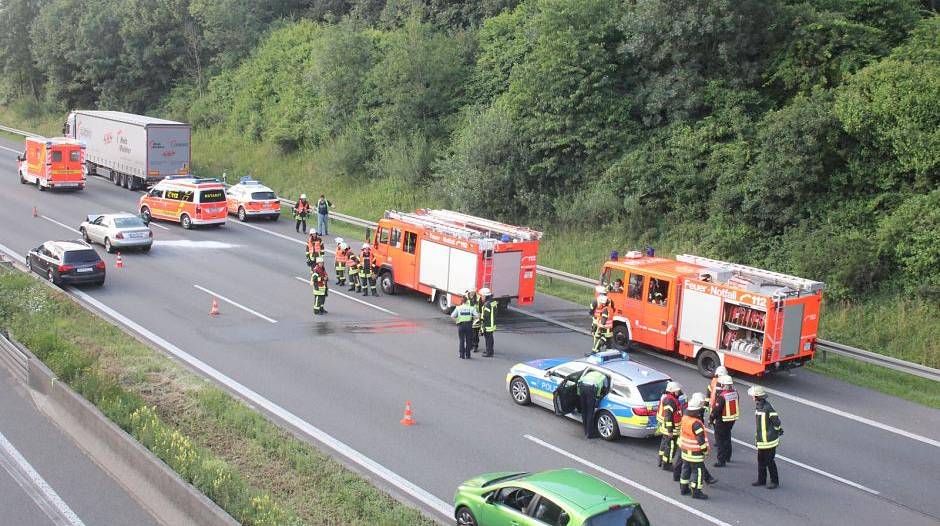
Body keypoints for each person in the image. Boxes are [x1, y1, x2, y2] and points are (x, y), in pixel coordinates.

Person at [748, 385, 783, 489]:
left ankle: (774, 481)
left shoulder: (768, 408)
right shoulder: (759, 406)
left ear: (758, 397)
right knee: (761, 461)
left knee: (769, 461)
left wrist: (778, 430)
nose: (752, 397)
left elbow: (776, 421)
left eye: (753, 396)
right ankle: (761, 480)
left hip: (769, 441)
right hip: (762, 441)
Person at [679, 393, 711, 499]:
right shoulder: (696, 423)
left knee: (685, 470)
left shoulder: (685, 418)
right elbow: (700, 440)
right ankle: (696, 492)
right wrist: (705, 451)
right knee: (698, 472)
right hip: (695, 453)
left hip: (684, 450)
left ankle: (683, 489)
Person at [709, 375, 739, 467]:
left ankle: (721, 461)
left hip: (722, 420)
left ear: (723, 385)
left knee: (720, 441)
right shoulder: (735, 393)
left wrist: (711, 419)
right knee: (727, 437)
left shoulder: (722, 396)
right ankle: (727, 457)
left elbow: (716, 410)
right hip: (732, 419)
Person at [656, 382, 683, 471]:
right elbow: (669, 416)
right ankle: (667, 464)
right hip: (672, 429)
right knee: (671, 447)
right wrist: (670, 430)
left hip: (667, 427)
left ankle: (661, 461)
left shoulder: (669, 398)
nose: (679, 392)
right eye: (677, 391)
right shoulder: (670, 400)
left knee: (664, 444)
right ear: (672, 391)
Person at [578, 369, 607, 439]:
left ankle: (586, 431)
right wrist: (597, 397)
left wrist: (579, 394)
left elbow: (579, 381)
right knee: (590, 412)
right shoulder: (603, 377)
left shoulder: (590, 373)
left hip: (582, 387)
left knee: (584, 411)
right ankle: (590, 434)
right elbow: (604, 388)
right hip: (591, 389)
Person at [478, 288, 496, 357]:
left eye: (482, 296)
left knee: (488, 339)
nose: (481, 297)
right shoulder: (493, 301)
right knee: (490, 338)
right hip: (492, 323)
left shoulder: (487, 304)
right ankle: (490, 350)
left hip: (488, 324)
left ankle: (489, 352)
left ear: (486, 296)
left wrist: (480, 318)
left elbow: (486, 316)